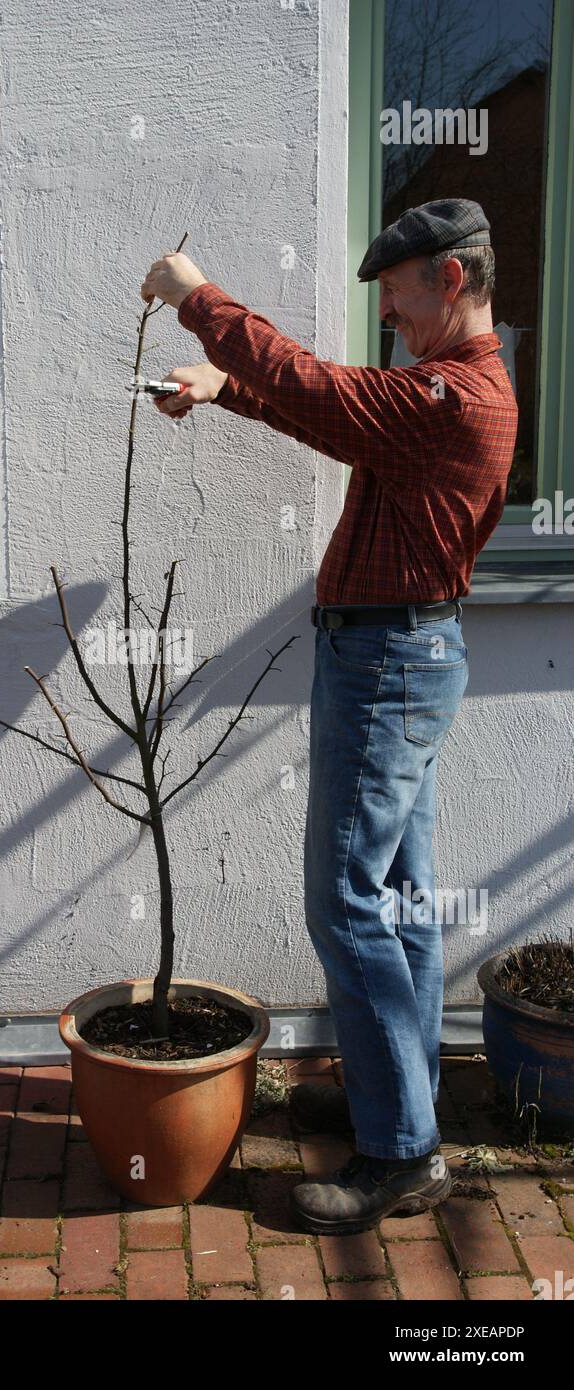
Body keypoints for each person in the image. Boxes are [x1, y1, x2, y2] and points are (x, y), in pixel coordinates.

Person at [140, 199, 518, 1235]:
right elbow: (334, 415)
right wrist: (227, 391)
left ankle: (399, 1150)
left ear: (449, 279)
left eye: (395, 296)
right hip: (399, 657)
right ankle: (390, 1094)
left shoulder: (456, 396)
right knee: (395, 899)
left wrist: (199, 301)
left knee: (345, 901)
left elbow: (325, 389)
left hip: (389, 662)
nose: (388, 318)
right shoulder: (442, 391)